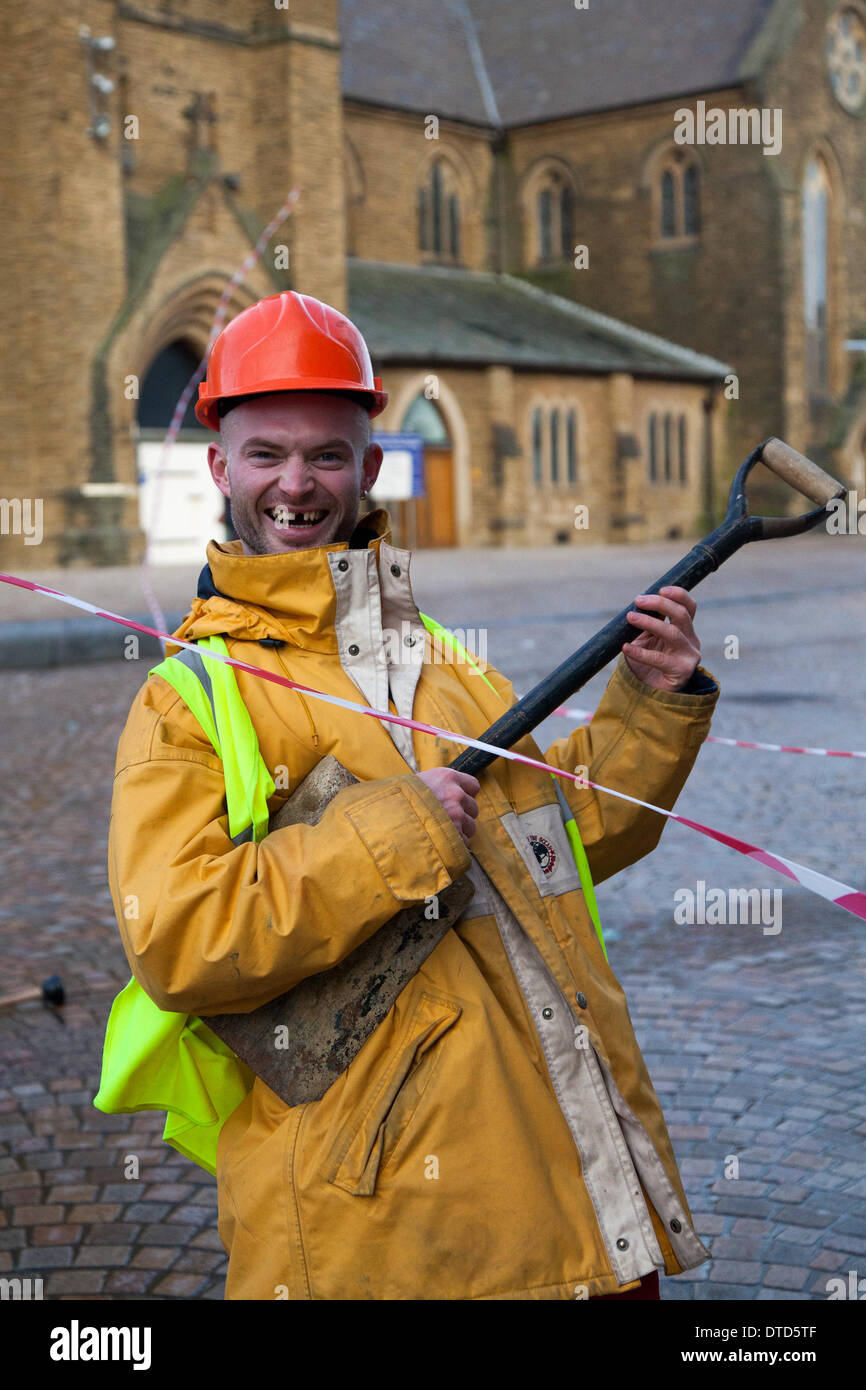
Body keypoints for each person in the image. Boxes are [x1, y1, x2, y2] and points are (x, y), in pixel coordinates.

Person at [104, 290, 720, 1301]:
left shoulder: (438, 662)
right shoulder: (190, 696)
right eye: (266, 454)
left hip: (572, 1195)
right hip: (384, 1236)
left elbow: (548, 843)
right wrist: (392, 836)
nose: (295, 484)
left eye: (326, 454)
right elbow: (177, 936)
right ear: (220, 466)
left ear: (369, 466)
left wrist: (649, 710)